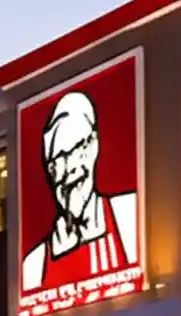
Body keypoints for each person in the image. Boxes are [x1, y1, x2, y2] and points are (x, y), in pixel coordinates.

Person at [22, 91, 138, 292]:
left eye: (75, 150)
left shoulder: (130, 216)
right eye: (57, 161)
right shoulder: (34, 264)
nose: (69, 169)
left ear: (94, 145)